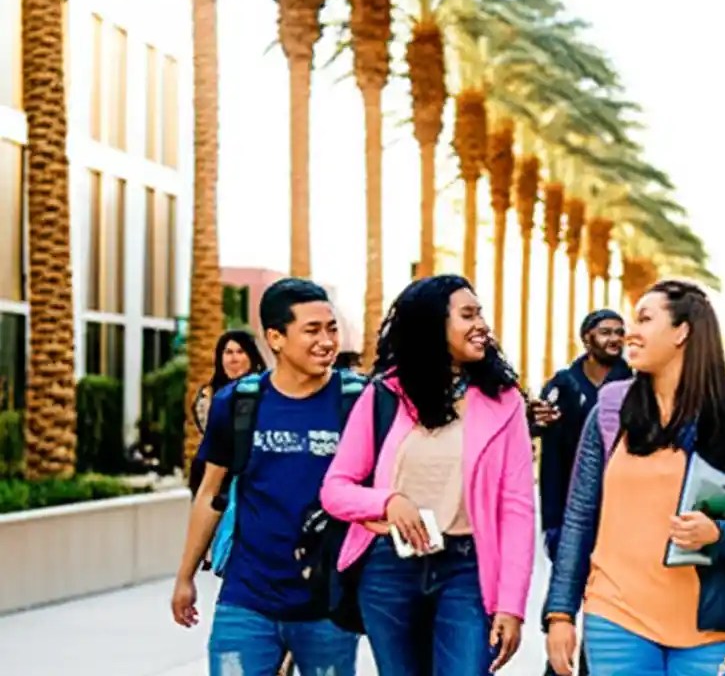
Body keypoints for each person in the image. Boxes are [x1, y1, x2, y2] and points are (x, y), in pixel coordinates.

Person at [542, 279, 725, 676]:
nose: (630, 332)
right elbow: (580, 518)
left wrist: (718, 533)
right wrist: (560, 613)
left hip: (711, 631)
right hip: (616, 618)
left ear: (681, 332)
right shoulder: (610, 413)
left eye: (645, 319)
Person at [320, 275, 534, 675]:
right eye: (467, 315)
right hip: (389, 567)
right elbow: (335, 488)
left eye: (480, 314)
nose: (481, 325)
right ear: (433, 324)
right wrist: (387, 502)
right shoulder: (384, 394)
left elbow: (517, 508)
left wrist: (512, 605)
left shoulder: (504, 402)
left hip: (466, 571)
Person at [170, 278, 359, 676]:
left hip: (328, 605)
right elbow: (211, 494)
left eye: (331, 329)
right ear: (275, 338)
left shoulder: (357, 401)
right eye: (312, 330)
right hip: (247, 599)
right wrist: (185, 576)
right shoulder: (238, 403)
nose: (326, 341)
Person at [532, 309, 632, 562]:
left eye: (619, 333)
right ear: (587, 338)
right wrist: (535, 420)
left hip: (617, 508)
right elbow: (536, 430)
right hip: (565, 504)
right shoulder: (562, 385)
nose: (614, 339)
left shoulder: (634, 387)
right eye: (605, 332)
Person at [188, 330, 267, 497]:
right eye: (228, 352)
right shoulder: (209, 396)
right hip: (214, 480)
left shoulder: (266, 392)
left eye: (240, 352)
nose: (234, 359)